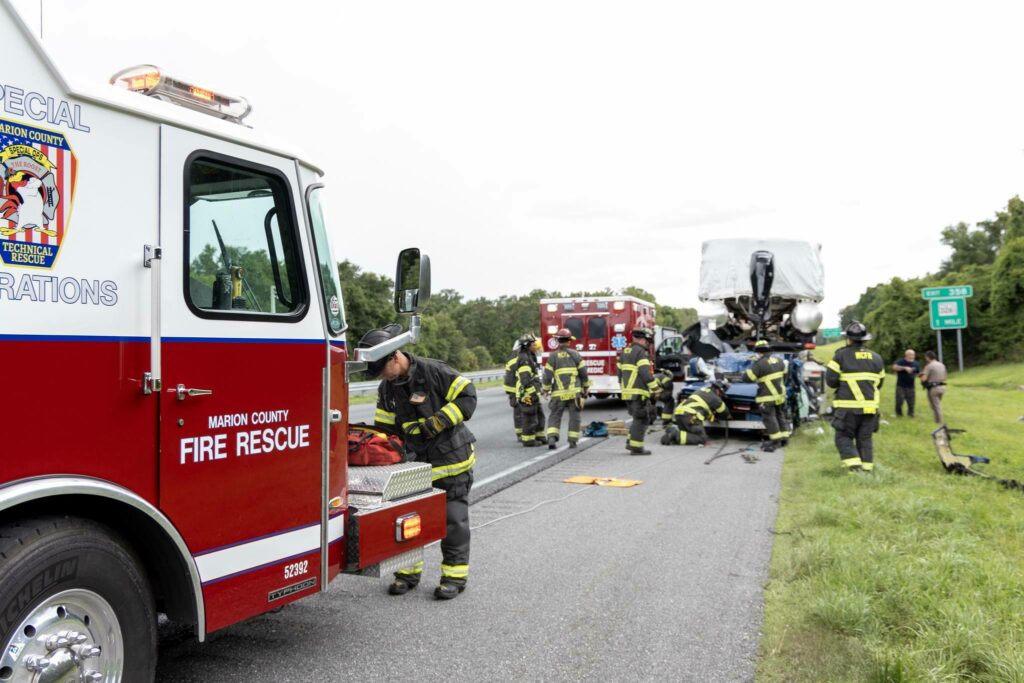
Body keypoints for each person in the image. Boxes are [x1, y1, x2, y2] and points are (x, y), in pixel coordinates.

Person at [363, 326, 477, 600]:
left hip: (451, 461)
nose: (382, 377)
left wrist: (438, 421)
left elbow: (468, 396)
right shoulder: (387, 388)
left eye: (381, 370)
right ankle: (407, 573)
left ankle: (454, 577)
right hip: (413, 466)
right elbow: (385, 428)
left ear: (395, 357)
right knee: (408, 520)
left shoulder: (434, 371)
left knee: (452, 521)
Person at [825, 321, 885, 473]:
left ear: (848, 339)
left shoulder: (840, 356)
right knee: (865, 439)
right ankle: (867, 471)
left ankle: (854, 469)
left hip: (847, 410)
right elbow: (879, 384)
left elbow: (831, 381)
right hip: (870, 410)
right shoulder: (877, 358)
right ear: (865, 339)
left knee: (843, 437)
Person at [543, 328, 590, 449]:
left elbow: (547, 375)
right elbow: (584, 373)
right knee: (575, 416)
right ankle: (572, 441)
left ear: (558, 341)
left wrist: (546, 390)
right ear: (569, 341)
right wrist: (586, 387)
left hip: (558, 394)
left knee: (555, 415)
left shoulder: (553, 356)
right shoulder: (575, 354)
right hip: (574, 393)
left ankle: (552, 438)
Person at [618, 327, 661, 455]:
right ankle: (636, 448)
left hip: (627, 392)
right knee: (642, 419)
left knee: (636, 418)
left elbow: (619, 373)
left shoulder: (625, 351)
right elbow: (645, 373)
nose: (647, 343)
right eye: (647, 341)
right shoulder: (641, 352)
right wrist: (655, 388)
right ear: (641, 339)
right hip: (638, 392)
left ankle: (630, 442)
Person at [745, 339, 791, 452]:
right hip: (780, 396)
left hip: (767, 397)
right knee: (780, 416)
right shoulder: (780, 361)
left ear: (759, 352)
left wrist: (752, 364)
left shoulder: (759, 363)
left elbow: (747, 378)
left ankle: (775, 441)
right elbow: (785, 376)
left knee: (770, 418)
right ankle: (784, 439)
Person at [661, 379, 731, 446]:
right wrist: (729, 417)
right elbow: (725, 413)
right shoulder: (716, 399)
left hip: (679, 414)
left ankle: (672, 431)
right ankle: (675, 435)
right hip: (690, 417)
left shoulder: (702, 390)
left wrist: (711, 417)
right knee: (701, 438)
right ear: (719, 390)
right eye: (722, 394)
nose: (721, 396)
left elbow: (702, 407)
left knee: (688, 434)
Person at [511, 334, 545, 447]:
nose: (535, 346)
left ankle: (539, 435)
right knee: (529, 416)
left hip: (531, 393)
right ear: (527, 346)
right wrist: (532, 393)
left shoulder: (529, 356)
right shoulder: (524, 359)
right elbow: (525, 379)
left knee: (539, 414)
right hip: (527, 395)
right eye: (533, 344)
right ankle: (528, 440)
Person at [919, 350, 948, 424]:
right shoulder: (942, 365)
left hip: (933, 388)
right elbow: (945, 377)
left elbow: (924, 379)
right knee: (936, 405)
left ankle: (940, 423)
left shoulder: (929, 366)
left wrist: (921, 375)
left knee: (936, 406)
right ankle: (936, 421)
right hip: (942, 387)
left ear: (928, 357)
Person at [891, 349, 919, 417]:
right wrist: (904, 368)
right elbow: (894, 367)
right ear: (907, 355)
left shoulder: (916, 363)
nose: (913, 356)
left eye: (913, 354)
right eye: (911, 354)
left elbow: (918, 372)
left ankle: (911, 414)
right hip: (901, 385)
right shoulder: (901, 361)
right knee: (899, 401)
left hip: (911, 386)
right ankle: (899, 414)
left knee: (911, 402)